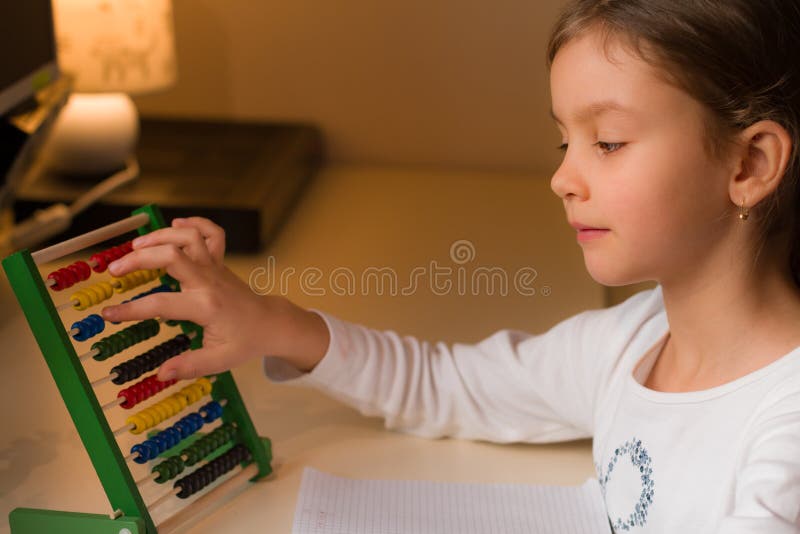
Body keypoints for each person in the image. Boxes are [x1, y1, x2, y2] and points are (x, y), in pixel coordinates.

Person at [101, 1, 800, 531]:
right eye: (564, 141)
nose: (563, 178)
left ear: (750, 163)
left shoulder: (783, 434)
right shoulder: (636, 341)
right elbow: (451, 383)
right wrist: (274, 325)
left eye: (608, 142)